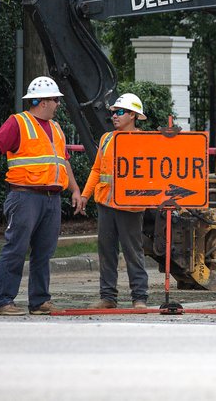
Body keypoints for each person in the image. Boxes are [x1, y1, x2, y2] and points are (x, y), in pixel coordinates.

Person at [0, 76, 81, 316]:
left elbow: (63, 161)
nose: (58, 104)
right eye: (56, 100)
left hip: (51, 198)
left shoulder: (56, 128)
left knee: (44, 252)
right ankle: (2, 301)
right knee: (16, 248)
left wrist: (75, 189)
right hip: (25, 197)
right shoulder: (18, 122)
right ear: (42, 102)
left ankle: (39, 301)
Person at [75, 93, 150, 309]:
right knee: (107, 251)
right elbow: (97, 169)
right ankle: (108, 297)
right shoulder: (106, 139)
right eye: (114, 112)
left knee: (132, 252)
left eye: (120, 112)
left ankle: (139, 298)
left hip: (131, 206)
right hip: (106, 204)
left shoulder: (145, 141)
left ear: (133, 115)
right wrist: (85, 195)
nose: (114, 116)